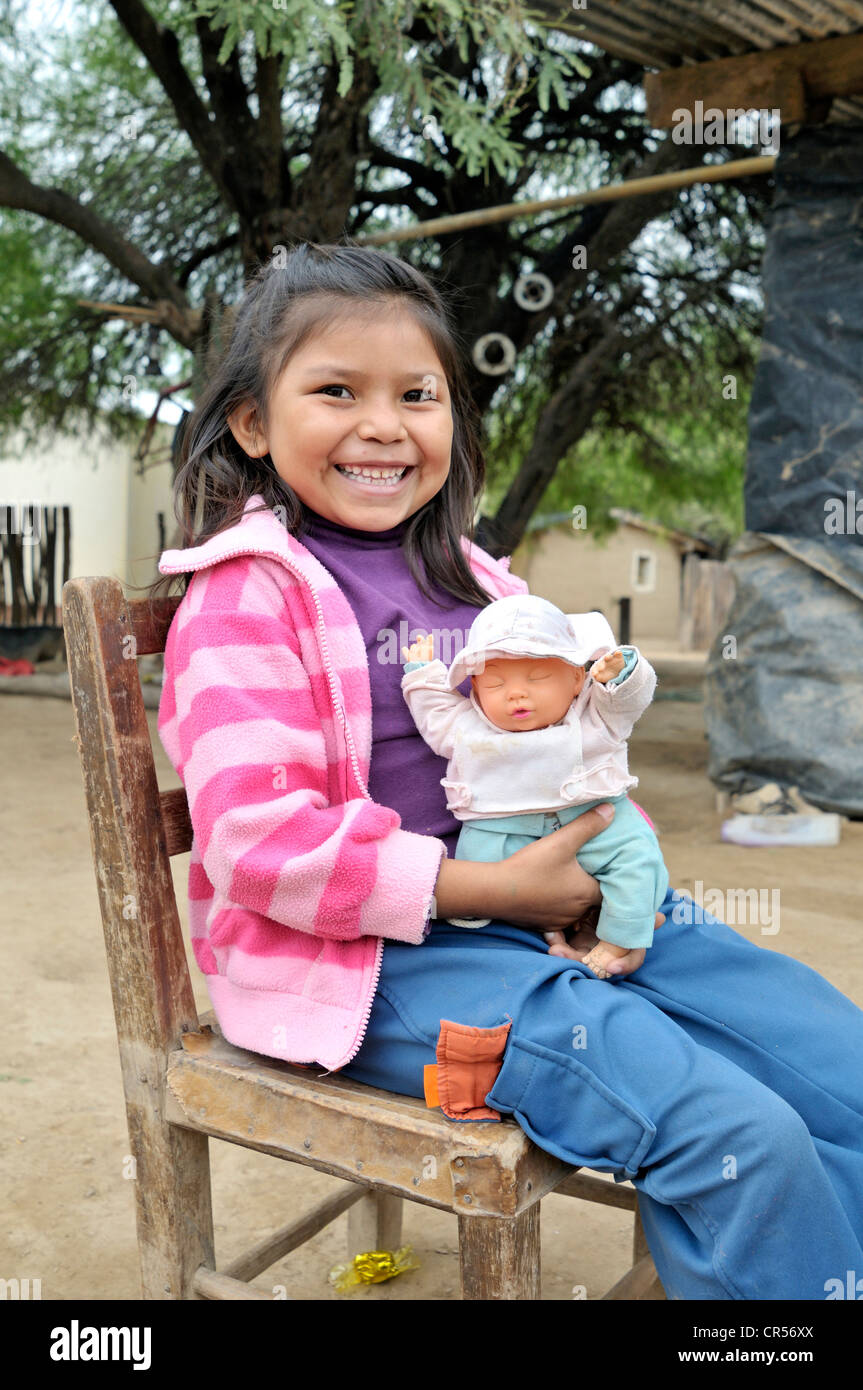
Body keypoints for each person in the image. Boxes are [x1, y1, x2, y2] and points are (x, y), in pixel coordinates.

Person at [153, 241, 863, 1300]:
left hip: (567, 910)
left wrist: (611, 887)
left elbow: (579, 755)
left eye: (416, 394)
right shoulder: (244, 603)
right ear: (253, 423)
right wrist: (483, 888)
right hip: (376, 965)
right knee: (735, 1135)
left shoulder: (480, 584)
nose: (383, 424)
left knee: (839, 1073)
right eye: (335, 391)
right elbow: (258, 843)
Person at [399, 596, 669, 978]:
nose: (516, 693)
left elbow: (628, 702)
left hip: (593, 819)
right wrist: (422, 674)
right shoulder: (466, 727)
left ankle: (618, 937)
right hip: (498, 829)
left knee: (638, 860)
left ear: (577, 678)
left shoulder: (595, 717)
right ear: (475, 685)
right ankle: (544, 931)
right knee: (481, 895)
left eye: (537, 678)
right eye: (495, 682)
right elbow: (435, 712)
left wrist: (624, 676)